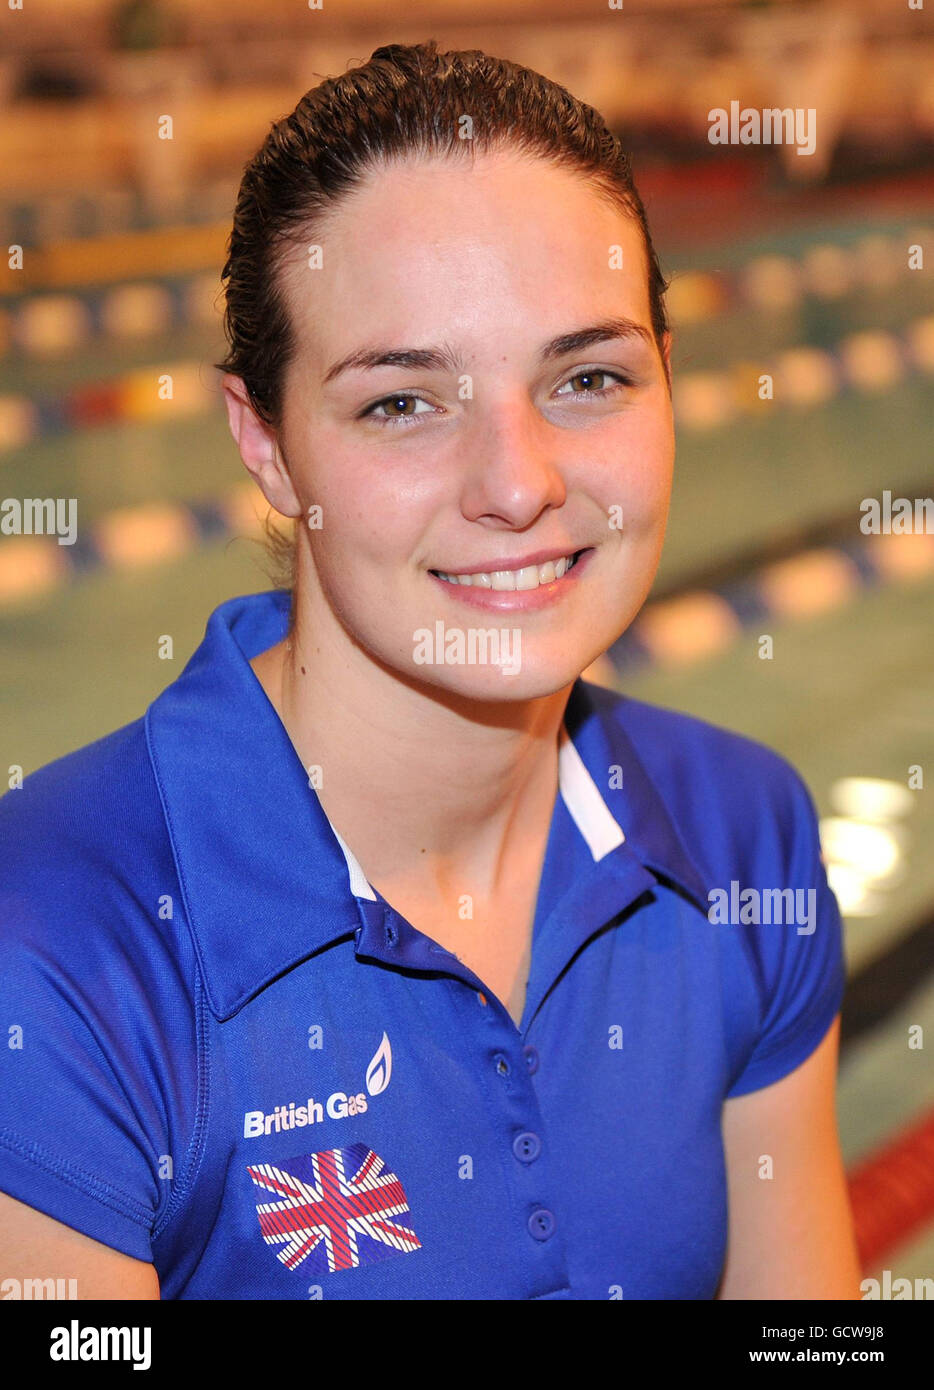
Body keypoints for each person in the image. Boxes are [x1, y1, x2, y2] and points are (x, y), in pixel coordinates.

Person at [0, 41, 862, 1300]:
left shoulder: (741, 840)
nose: (518, 483)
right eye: (402, 401)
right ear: (269, 444)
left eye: (587, 377)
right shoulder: (64, 945)